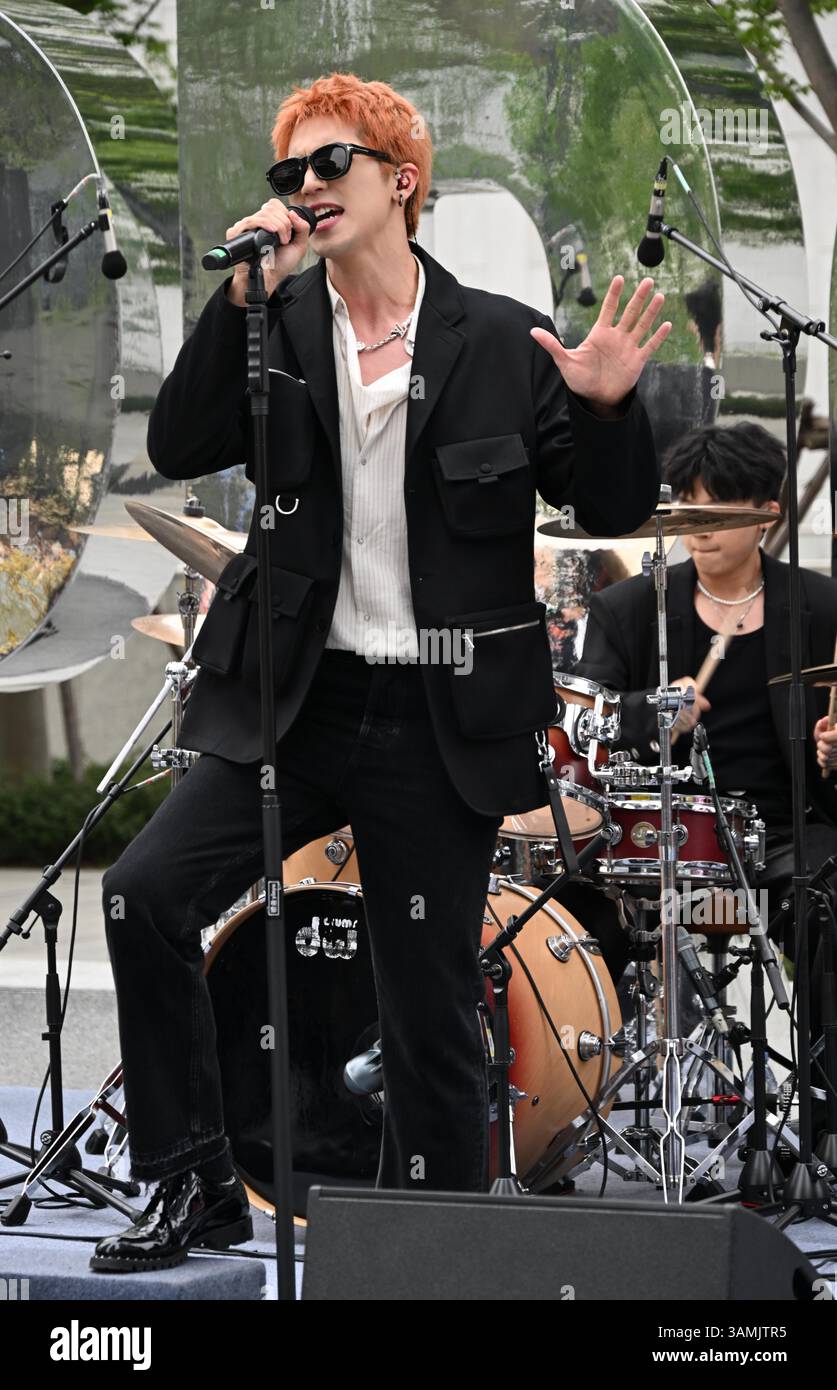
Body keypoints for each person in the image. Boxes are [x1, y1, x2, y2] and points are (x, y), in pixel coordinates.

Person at [91, 71, 666, 1272]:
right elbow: (179, 442)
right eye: (286, 174)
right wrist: (246, 293)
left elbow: (610, 505)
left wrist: (612, 411)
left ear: (401, 180)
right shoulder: (278, 326)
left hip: (438, 713)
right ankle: (191, 1185)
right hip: (298, 701)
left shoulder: (504, 338)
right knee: (144, 893)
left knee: (427, 1002)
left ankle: (435, 1255)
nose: (304, 189)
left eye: (328, 165)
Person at [568, 422, 837, 1077]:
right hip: (647, 843)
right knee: (563, 916)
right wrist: (650, 711)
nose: (699, 525)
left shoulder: (820, 607)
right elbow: (580, 727)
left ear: (766, 514)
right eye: (687, 505)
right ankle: (567, 1109)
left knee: (833, 902)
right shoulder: (629, 609)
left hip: (783, 838)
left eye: (716, 507)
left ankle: (822, 1122)